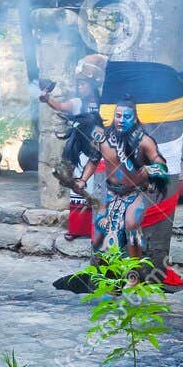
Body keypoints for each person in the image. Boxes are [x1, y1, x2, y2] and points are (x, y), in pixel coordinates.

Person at [89, 96, 168, 261]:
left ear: (135, 117)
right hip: (110, 194)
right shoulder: (104, 139)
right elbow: (93, 160)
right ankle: (107, 273)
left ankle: (135, 268)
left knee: (132, 225)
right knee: (97, 237)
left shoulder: (145, 141)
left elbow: (162, 166)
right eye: (118, 116)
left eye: (126, 116)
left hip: (134, 194)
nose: (121, 120)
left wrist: (149, 169)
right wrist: (82, 181)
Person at [39, 52, 107, 239]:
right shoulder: (77, 103)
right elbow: (60, 107)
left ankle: (97, 231)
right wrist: (47, 98)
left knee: (99, 193)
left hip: (99, 154)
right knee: (78, 191)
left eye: (83, 84)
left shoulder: (104, 104)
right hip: (82, 155)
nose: (80, 87)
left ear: (92, 85)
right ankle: (77, 229)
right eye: (79, 84)